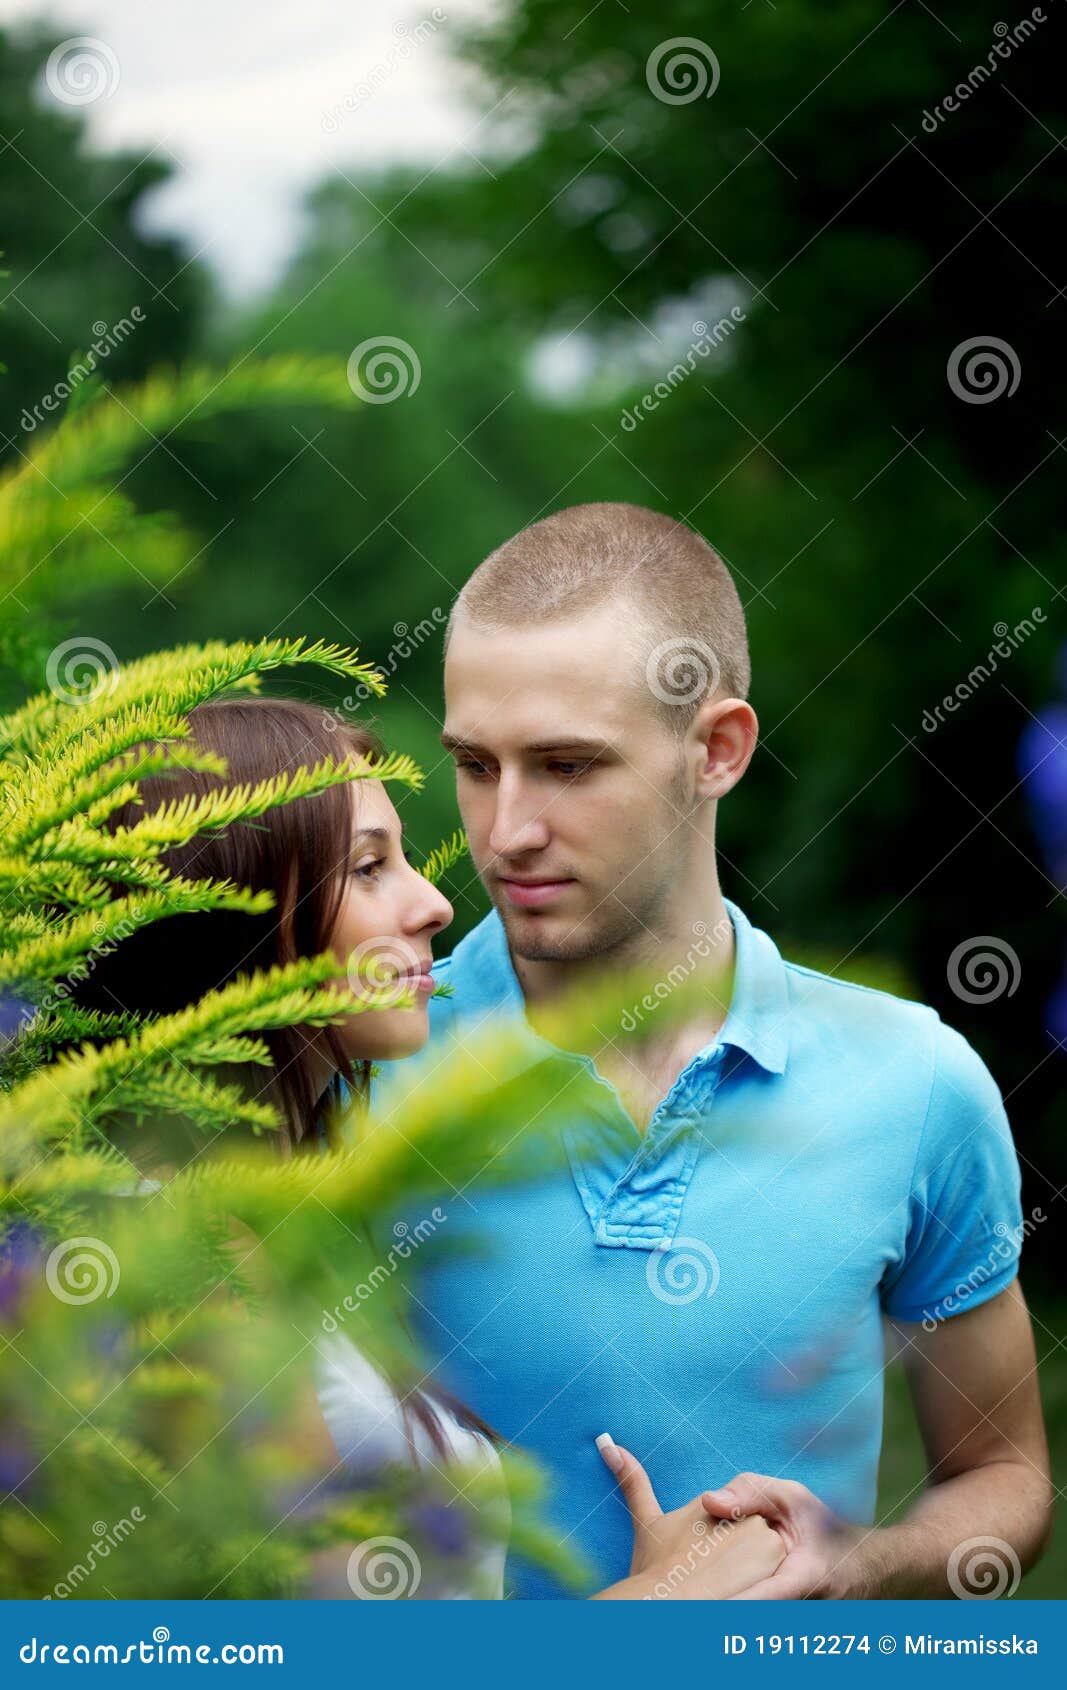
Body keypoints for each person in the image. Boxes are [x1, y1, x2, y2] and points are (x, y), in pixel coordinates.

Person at [370, 501, 1052, 1600]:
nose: (503, 832)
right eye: (474, 764)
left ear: (715, 750)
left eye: (565, 766)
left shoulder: (914, 1084)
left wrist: (854, 1567)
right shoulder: (355, 1065)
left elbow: (1003, 1474)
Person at [66, 694, 784, 1600]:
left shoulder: (270, 1224)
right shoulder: (190, 1280)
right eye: (368, 869)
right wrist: (669, 1598)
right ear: (229, 915)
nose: (435, 904)